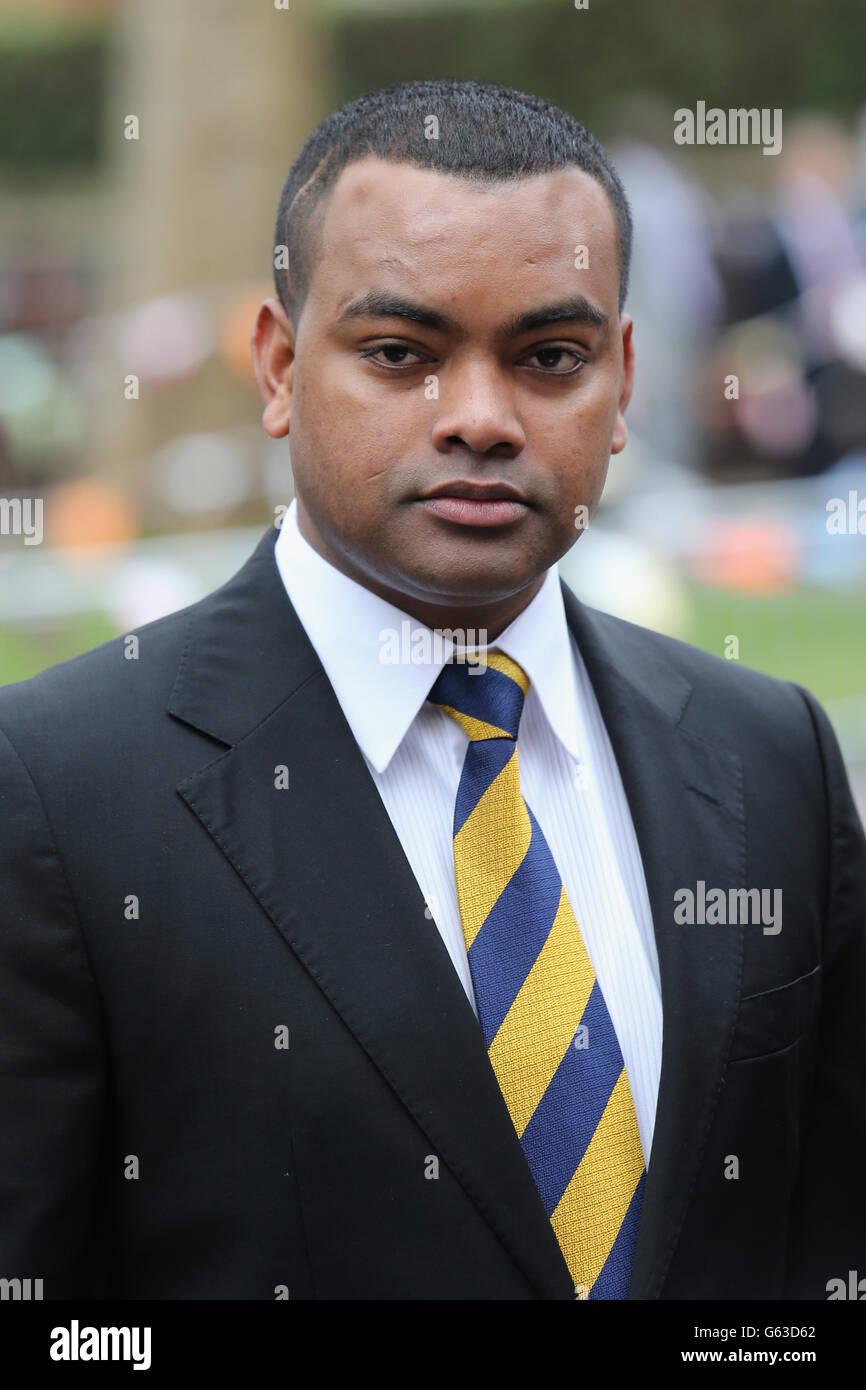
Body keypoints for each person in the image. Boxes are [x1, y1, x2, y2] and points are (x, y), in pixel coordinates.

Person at [1, 79, 864, 1302]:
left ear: (620, 379)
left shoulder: (765, 751)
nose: (477, 418)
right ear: (278, 366)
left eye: (548, 357)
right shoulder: (54, 789)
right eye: (400, 353)